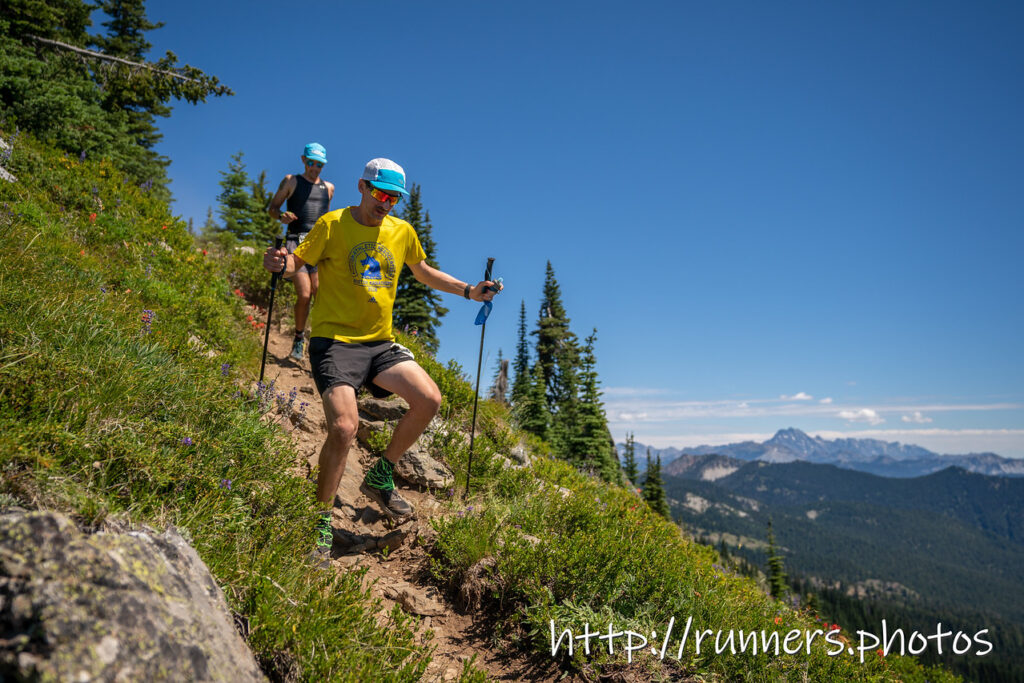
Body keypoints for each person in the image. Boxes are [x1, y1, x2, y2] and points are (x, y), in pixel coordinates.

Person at [262, 158, 502, 564]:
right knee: (344, 427)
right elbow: (297, 262)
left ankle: (381, 473)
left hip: (379, 344)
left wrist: (468, 291)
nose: (386, 203)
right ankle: (319, 519)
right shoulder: (332, 225)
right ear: (362, 186)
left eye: (395, 197)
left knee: (429, 399)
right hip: (334, 341)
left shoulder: (401, 231)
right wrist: (281, 264)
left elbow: (423, 272)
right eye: (380, 193)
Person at [268, 142, 335, 361]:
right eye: (311, 162)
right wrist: (281, 216)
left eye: (319, 164)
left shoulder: (329, 188)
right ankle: (298, 339)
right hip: (295, 242)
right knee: (304, 294)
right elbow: (272, 208)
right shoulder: (292, 181)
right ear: (303, 160)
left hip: (318, 245)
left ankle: (320, 343)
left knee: (321, 294)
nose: (314, 167)